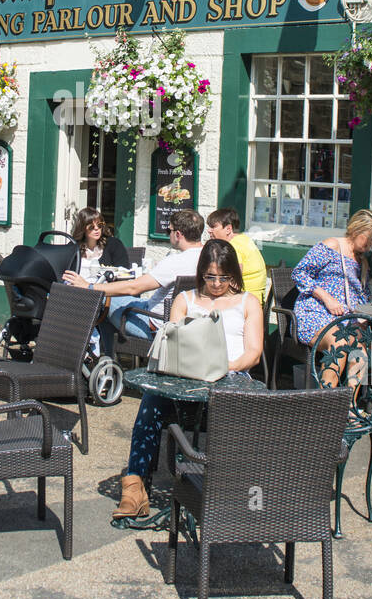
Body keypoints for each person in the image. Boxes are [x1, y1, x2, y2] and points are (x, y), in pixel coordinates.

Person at [113, 239, 264, 519]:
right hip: (186, 379)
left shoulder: (247, 302)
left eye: (224, 277)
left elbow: (253, 354)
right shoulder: (185, 300)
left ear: (234, 274)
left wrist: (224, 366)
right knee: (151, 401)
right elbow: (173, 345)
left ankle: (234, 491)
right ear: (200, 273)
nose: (217, 284)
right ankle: (135, 487)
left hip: (229, 379)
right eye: (210, 277)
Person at [63, 208, 204, 356]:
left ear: (178, 234)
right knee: (107, 305)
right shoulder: (210, 255)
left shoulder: (175, 261)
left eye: (169, 231)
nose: (168, 236)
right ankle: (104, 357)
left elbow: (134, 288)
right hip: (189, 325)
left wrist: (89, 286)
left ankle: (92, 355)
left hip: (155, 325)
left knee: (104, 300)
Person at [291, 209, 372, 349]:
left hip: (346, 319)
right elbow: (299, 273)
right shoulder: (333, 246)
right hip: (318, 314)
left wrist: (364, 319)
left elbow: (362, 295)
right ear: (357, 230)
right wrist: (327, 298)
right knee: (340, 346)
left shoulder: (361, 260)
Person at [206, 206, 267, 305]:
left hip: (246, 303)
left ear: (228, 229)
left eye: (213, 227)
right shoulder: (243, 239)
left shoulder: (234, 246)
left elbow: (235, 283)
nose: (209, 230)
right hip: (255, 299)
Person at [70, 207, 130, 283]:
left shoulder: (113, 244)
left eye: (100, 225)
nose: (96, 228)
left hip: (106, 290)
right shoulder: (73, 246)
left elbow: (123, 271)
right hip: (78, 289)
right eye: (91, 227)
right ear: (82, 229)